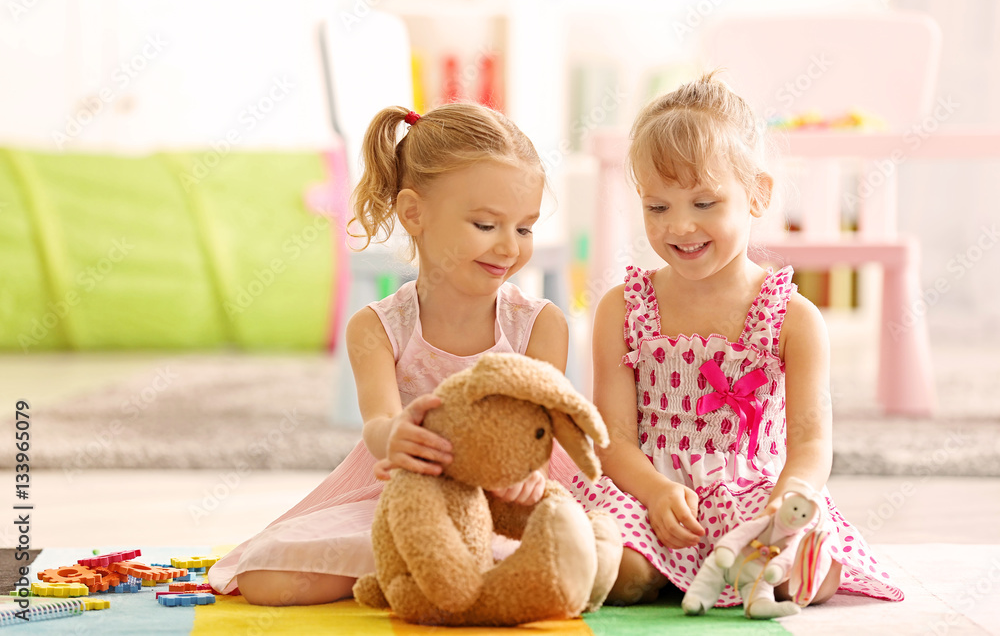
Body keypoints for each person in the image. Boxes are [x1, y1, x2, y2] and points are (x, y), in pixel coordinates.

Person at [208, 103, 570, 605]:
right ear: (414, 213)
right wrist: (397, 438)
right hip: (405, 498)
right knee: (265, 577)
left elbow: (541, 433)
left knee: (590, 550)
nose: (509, 247)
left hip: (510, 500)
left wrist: (527, 473)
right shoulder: (378, 328)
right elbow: (378, 423)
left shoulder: (539, 325)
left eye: (524, 228)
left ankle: (445, 570)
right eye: (487, 225)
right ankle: (428, 564)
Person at [565, 71, 904, 607]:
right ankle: (661, 569)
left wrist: (787, 500)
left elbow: (811, 442)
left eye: (704, 204)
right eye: (658, 207)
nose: (679, 227)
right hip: (650, 493)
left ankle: (745, 567)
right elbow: (614, 441)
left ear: (757, 195)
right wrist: (654, 492)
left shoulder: (794, 318)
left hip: (756, 498)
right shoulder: (621, 308)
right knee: (616, 571)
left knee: (814, 570)